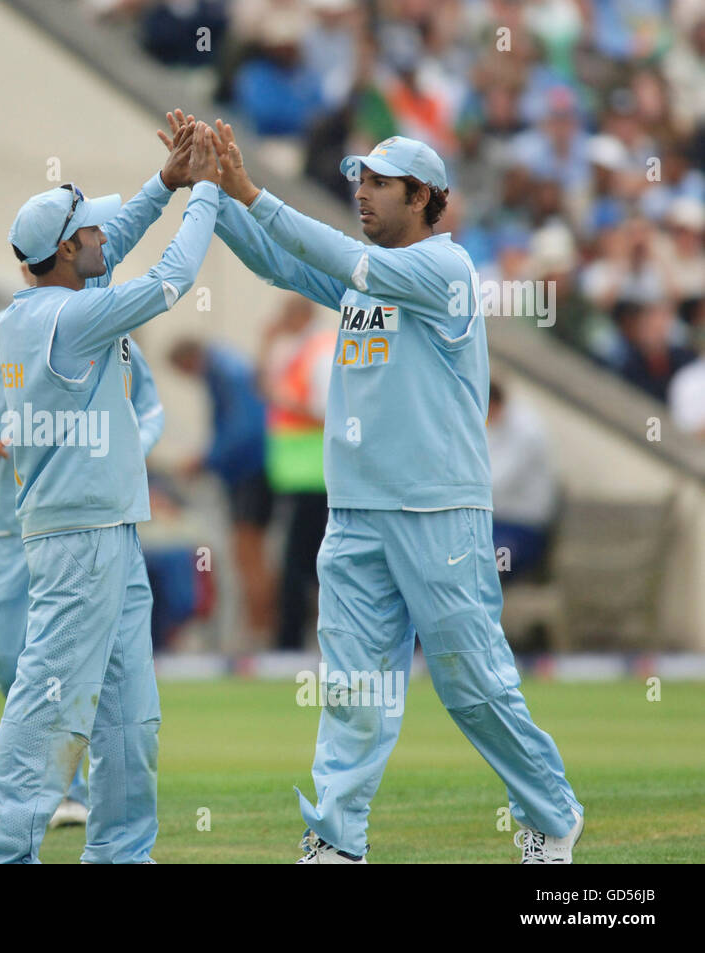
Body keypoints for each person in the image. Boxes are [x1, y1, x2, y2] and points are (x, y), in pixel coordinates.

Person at [201, 119, 584, 863]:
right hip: (356, 513)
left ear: (424, 197)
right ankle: (337, 840)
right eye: (360, 181)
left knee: (472, 683)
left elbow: (335, 253)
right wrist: (213, 195)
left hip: (438, 509)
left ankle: (551, 811)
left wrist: (249, 188)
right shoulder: (365, 278)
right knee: (353, 690)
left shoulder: (445, 270)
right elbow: (282, 263)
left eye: (379, 184)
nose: (362, 194)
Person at [0, 114, 220, 864]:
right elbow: (172, 278)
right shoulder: (72, 318)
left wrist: (168, 182)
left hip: (107, 529)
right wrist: (206, 192)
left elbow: (118, 238)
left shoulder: (45, 302)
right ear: (66, 251)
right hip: (78, 538)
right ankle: (2, 853)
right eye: (91, 234)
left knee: (128, 719)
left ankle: (121, 853)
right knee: (51, 709)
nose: (102, 240)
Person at [0, 264, 166, 831]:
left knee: (88, 665)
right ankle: (39, 798)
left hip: (73, 516)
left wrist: (125, 450)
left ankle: (74, 793)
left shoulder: (97, 330)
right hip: (4, 520)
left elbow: (150, 407)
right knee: (7, 659)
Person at [169, 337, 274, 645]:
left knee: (248, 553)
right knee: (251, 553)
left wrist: (207, 459)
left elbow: (245, 429)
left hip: (251, 472)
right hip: (251, 471)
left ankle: (261, 633)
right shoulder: (228, 366)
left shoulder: (225, 373)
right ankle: (262, 629)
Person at [260, 297, 334, 647]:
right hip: (298, 475)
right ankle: (292, 638)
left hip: (315, 477)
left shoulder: (320, 350)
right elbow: (265, 387)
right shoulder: (298, 350)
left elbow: (328, 411)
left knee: (305, 565)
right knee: (300, 563)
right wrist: (266, 341)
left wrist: (286, 402)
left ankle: (291, 641)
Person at [485, 381, 559, 578]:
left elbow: (497, 483)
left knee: (490, 568)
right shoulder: (494, 424)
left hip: (523, 528)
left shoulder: (527, 431)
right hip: (492, 523)